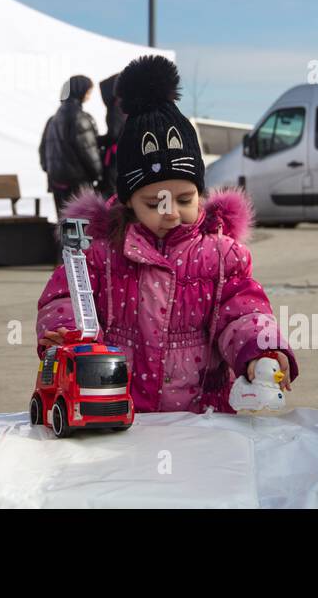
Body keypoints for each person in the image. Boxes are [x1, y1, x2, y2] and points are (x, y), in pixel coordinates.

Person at [35, 55, 297, 414]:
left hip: (200, 416)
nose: (171, 211)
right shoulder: (101, 254)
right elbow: (66, 299)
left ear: (200, 193)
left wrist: (260, 351)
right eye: (153, 202)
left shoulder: (221, 256)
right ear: (128, 203)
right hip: (116, 410)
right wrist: (65, 336)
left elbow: (242, 314)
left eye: (184, 199)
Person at [39, 75, 103, 217]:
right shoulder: (80, 118)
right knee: (83, 230)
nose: (89, 96)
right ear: (79, 91)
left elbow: (43, 153)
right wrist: (99, 175)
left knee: (66, 229)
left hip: (57, 184)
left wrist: (53, 170)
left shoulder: (52, 120)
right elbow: (90, 153)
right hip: (78, 185)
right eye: (88, 92)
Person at [96, 72, 127, 198]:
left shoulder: (116, 105)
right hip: (123, 154)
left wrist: (97, 140)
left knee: (111, 191)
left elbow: (113, 134)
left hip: (115, 157)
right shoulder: (125, 104)